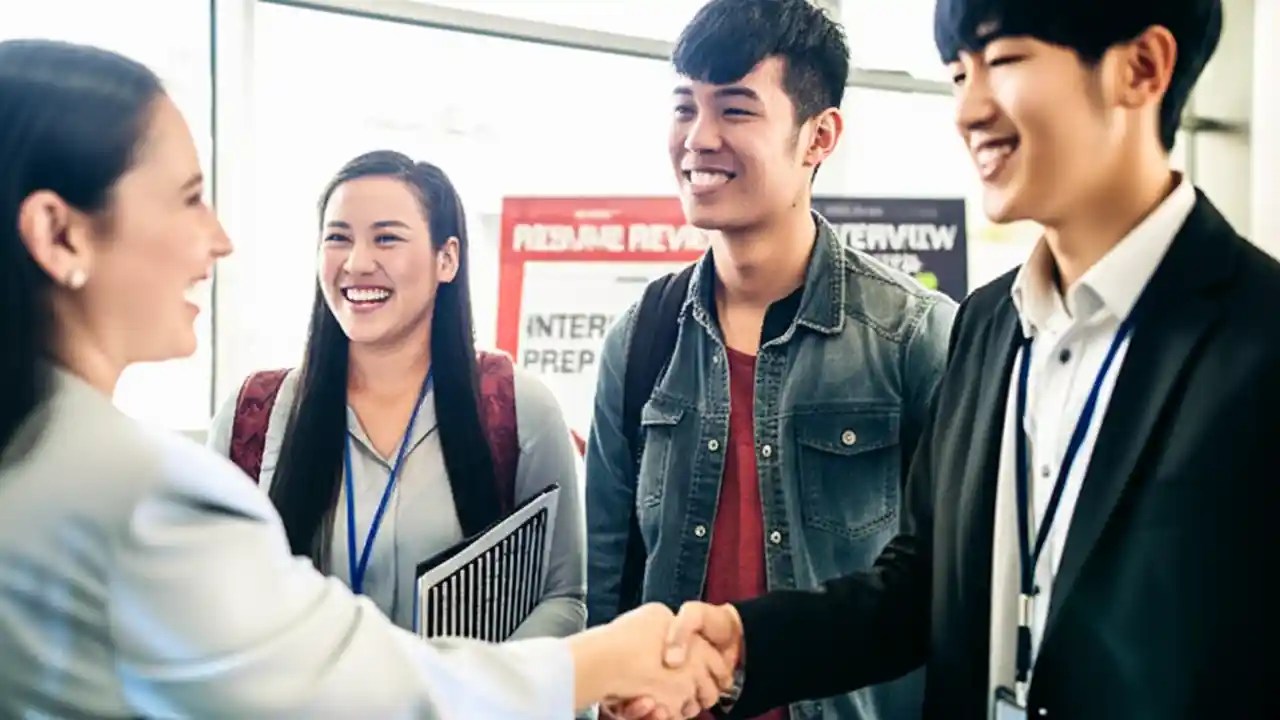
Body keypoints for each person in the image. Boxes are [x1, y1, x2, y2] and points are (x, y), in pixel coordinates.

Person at [0, 38, 731, 719]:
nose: (218, 238)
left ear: (448, 260)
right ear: (60, 234)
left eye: (387, 238)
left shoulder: (38, 463)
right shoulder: (139, 497)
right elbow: (360, 691)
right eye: (188, 197)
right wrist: (611, 659)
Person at [650, 0, 1280, 719]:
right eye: (957, 74)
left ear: (1141, 69)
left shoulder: (1258, 342)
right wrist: (745, 641)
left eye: (1004, 62)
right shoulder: (988, 324)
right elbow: (922, 589)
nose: (969, 110)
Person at [584, 1, 955, 719]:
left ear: (820, 136)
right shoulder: (640, 342)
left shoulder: (913, 337)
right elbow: (607, 573)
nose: (700, 138)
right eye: (685, 106)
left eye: (736, 110)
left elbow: (944, 590)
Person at [208, 150, 585, 643]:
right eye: (338, 238)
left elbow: (563, 597)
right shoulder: (253, 415)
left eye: (386, 238)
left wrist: (474, 693)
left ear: (446, 258)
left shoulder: (514, 408)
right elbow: (211, 593)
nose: (358, 263)